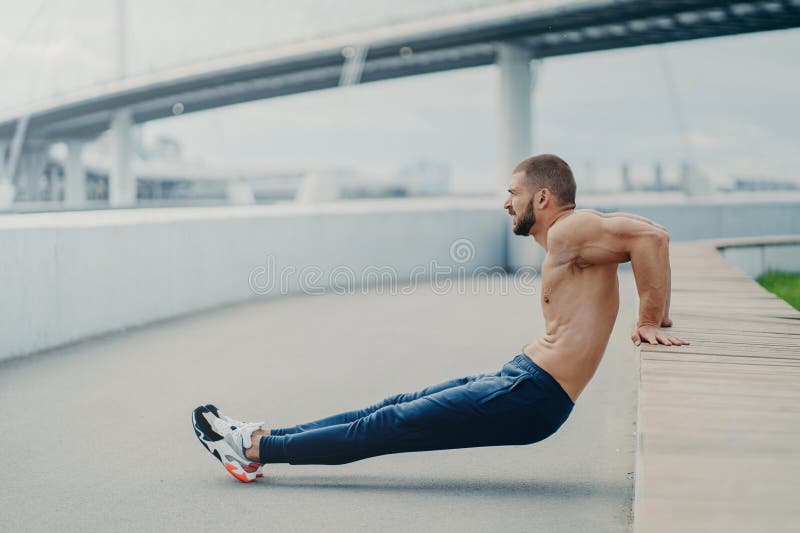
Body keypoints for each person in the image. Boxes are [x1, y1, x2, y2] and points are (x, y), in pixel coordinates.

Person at [191, 153, 690, 483]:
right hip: (524, 378)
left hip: (535, 395)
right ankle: (262, 437)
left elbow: (653, 238)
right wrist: (659, 312)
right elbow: (650, 234)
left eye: (513, 192)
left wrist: (648, 319)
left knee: (389, 424)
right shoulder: (580, 236)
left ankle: (253, 451)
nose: (505, 202)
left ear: (542, 197)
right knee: (394, 405)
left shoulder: (570, 229)